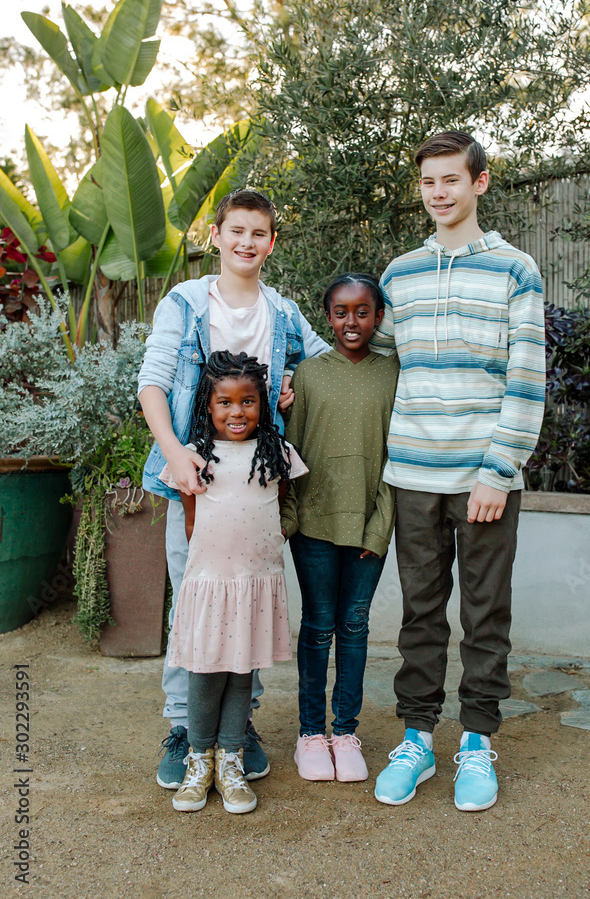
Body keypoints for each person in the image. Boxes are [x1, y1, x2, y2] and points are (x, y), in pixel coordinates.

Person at [371, 131, 545, 812]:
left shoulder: (514, 270)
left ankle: (476, 742)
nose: (437, 192)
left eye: (450, 179)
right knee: (418, 614)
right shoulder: (399, 274)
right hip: (411, 473)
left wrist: (497, 472)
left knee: (484, 614)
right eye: (427, 182)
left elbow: (526, 379)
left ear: (478, 182)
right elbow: (377, 361)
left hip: (482, 480)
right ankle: (416, 739)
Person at [138, 189, 328, 790]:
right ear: (215, 235)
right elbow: (153, 383)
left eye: (259, 233)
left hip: (258, 481)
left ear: (272, 243)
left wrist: (294, 377)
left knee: (245, 597)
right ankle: (183, 728)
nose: (247, 242)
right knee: (194, 604)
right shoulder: (186, 302)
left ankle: (237, 726)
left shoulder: (283, 311)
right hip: (195, 479)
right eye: (236, 231)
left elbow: (328, 361)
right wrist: (177, 456)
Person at [161, 350, 308, 813]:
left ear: (263, 405)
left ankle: (231, 759)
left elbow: (282, 501)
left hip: (254, 584)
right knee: (204, 671)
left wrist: (274, 536)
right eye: (224, 402)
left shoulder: (277, 454)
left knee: (242, 671)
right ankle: (198, 758)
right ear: (207, 406)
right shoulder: (192, 458)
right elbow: (190, 520)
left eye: (248, 401)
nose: (237, 412)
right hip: (210, 584)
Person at [281, 273, 399, 782]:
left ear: (378, 316)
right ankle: (310, 734)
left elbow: (399, 459)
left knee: (354, 626)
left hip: (369, 525)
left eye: (362, 311)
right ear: (327, 316)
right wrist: (289, 521)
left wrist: (380, 530)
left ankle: (346, 732)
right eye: (341, 312)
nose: (352, 322)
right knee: (317, 626)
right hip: (313, 527)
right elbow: (290, 451)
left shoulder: (394, 374)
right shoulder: (306, 375)